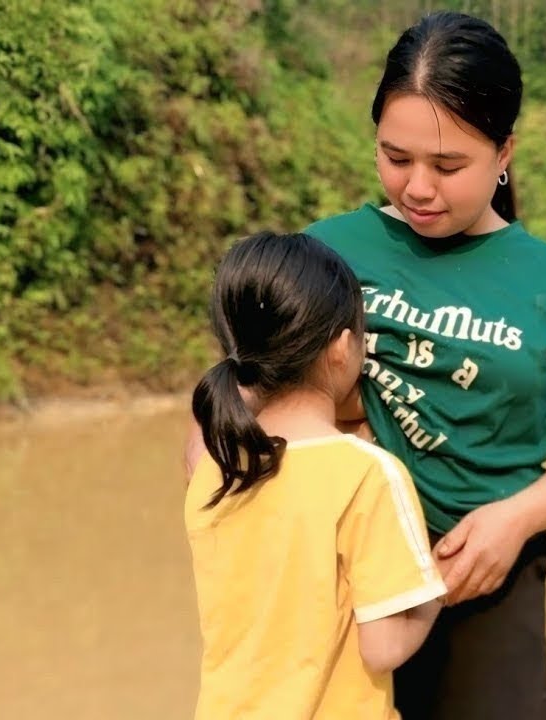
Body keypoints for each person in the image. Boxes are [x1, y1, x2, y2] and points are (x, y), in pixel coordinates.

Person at [302, 11, 546, 719]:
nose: (418, 188)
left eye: (448, 165)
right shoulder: (323, 254)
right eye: (395, 157)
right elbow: (254, 394)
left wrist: (515, 519)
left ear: (504, 153)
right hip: (340, 575)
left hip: (482, 580)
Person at [185, 232, 445, 719]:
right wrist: (435, 586)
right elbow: (384, 647)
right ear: (344, 348)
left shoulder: (213, 468)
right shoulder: (368, 475)